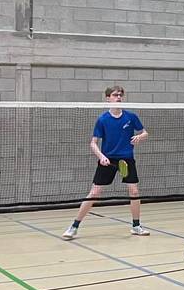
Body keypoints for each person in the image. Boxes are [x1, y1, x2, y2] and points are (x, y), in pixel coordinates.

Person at [62, 86, 149, 240]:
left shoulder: (131, 117)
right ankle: (74, 226)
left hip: (126, 159)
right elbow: (93, 143)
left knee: (134, 192)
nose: (119, 97)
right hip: (107, 160)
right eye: (115, 95)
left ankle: (136, 226)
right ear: (108, 98)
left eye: (121, 95)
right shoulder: (102, 120)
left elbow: (144, 132)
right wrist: (101, 156)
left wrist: (141, 137)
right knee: (94, 193)